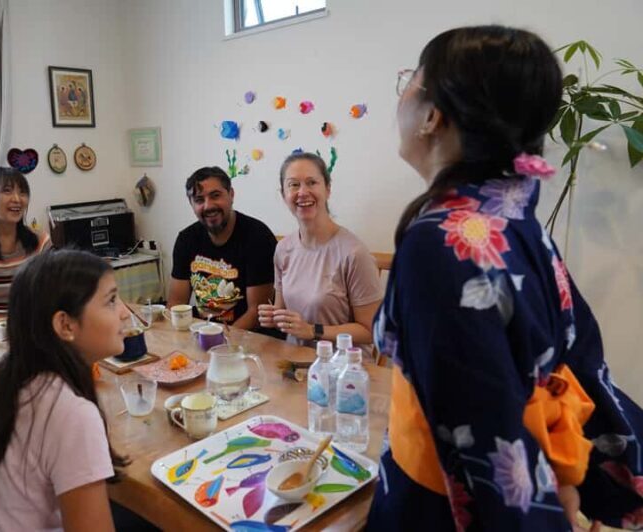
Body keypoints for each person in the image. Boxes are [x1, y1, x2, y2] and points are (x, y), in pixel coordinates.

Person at [368, 25, 643, 531]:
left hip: (436, 506)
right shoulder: (512, 217)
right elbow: (580, 358)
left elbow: (487, 452)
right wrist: (564, 478)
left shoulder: (440, 243)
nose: (401, 95)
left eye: (410, 80)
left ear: (433, 116)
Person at [0, 250, 139, 531]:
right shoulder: (71, 413)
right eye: (111, 301)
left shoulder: (10, 378)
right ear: (65, 325)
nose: (125, 312)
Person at [257, 153, 380, 351]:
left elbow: (371, 331)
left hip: (343, 369)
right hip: (293, 362)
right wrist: (274, 317)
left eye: (312, 182)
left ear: (328, 189)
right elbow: (282, 310)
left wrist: (313, 330)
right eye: (293, 185)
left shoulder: (354, 253)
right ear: (283, 195)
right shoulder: (283, 249)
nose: (303, 192)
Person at [169, 166, 277, 329]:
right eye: (199, 200)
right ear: (191, 204)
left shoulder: (258, 237)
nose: (208, 206)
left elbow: (257, 312)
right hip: (203, 333)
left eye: (215, 196)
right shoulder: (186, 239)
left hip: (249, 339)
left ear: (231, 194)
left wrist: (219, 341)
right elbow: (176, 303)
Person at [0, 167, 51, 329]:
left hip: (30, 330)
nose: (17, 199)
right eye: (7, 191)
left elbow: (49, 292)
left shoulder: (40, 241)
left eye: (22, 192)